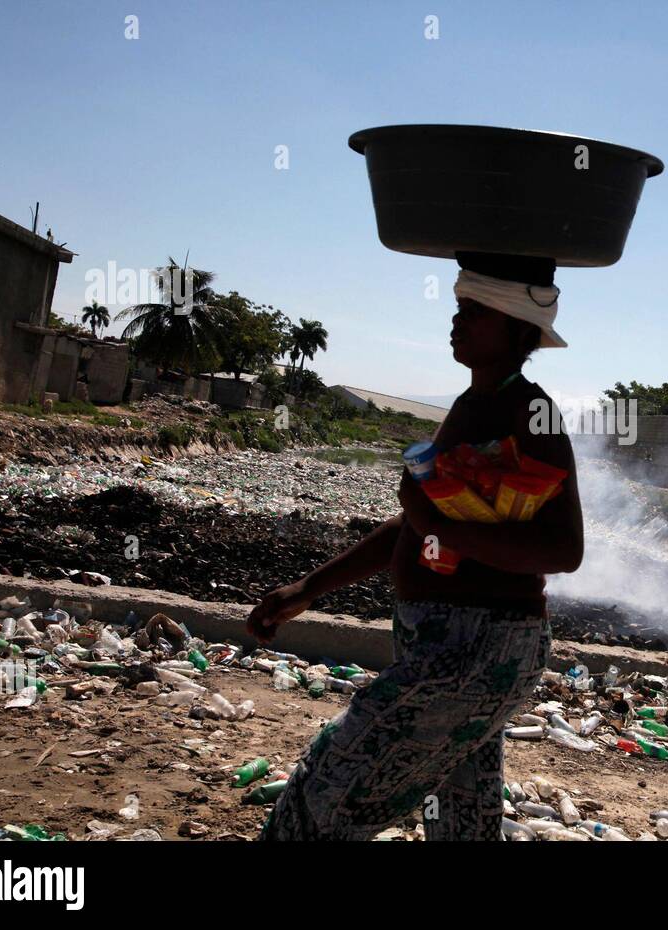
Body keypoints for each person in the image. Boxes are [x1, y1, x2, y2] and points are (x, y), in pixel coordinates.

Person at [249, 252, 584, 841]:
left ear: (516, 328)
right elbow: (416, 523)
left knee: (329, 786)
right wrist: (309, 588)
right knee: (463, 813)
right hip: (442, 639)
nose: (457, 322)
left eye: (474, 312)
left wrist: (441, 525)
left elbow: (563, 549)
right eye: (459, 308)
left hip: (482, 645)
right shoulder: (470, 405)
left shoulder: (530, 411)